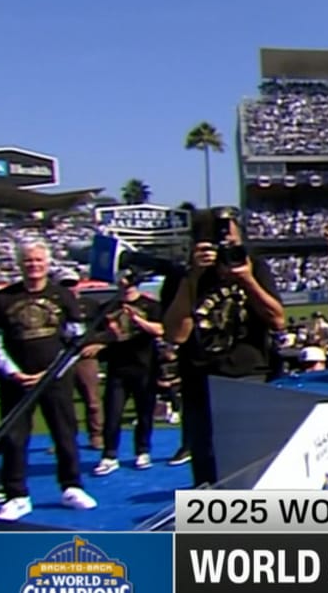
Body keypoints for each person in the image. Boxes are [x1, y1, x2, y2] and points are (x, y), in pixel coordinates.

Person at [161, 207, 286, 487]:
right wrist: (192, 279)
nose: (227, 245)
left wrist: (247, 279)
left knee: (254, 460)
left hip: (249, 374)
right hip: (201, 378)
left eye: (232, 237)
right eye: (219, 239)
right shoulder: (182, 275)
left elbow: (277, 319)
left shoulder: (253, 265)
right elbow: (175, 334)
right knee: (207, 461)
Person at [0, 241, 97, 521]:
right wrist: (13, 373)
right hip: (16, 381)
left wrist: (53, 371)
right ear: (20, 264)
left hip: (55, 379)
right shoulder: (1, 299)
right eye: (28, 261)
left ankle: (71, 486)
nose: (34, 265)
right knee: (14, 438)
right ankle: (16, 494)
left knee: (64, 433)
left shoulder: (63, 296)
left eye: (38, 260)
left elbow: (75, 340)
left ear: (47, 263)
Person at [92, 270, 163, 475]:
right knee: (113, 413)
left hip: (144, 366)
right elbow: (96, 337)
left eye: (129, 280)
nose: (125, 284)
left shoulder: (150, 305)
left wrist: (137, 320)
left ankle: (142, 451)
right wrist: (110, 334)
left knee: (144, 413)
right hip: (117, 368)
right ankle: (109, 455)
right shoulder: (107, 307)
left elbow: (160, 329)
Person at [60, 271, 107, 450]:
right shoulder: (55, 305)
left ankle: (96, 435)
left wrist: (98, 344)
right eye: (65, 285)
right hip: (61, 357)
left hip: (85, 356)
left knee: (92, 399)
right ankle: (65, 437)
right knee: (62, 401)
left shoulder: (91, 305)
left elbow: (107, 330)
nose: (70, 288)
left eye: (72, 284)